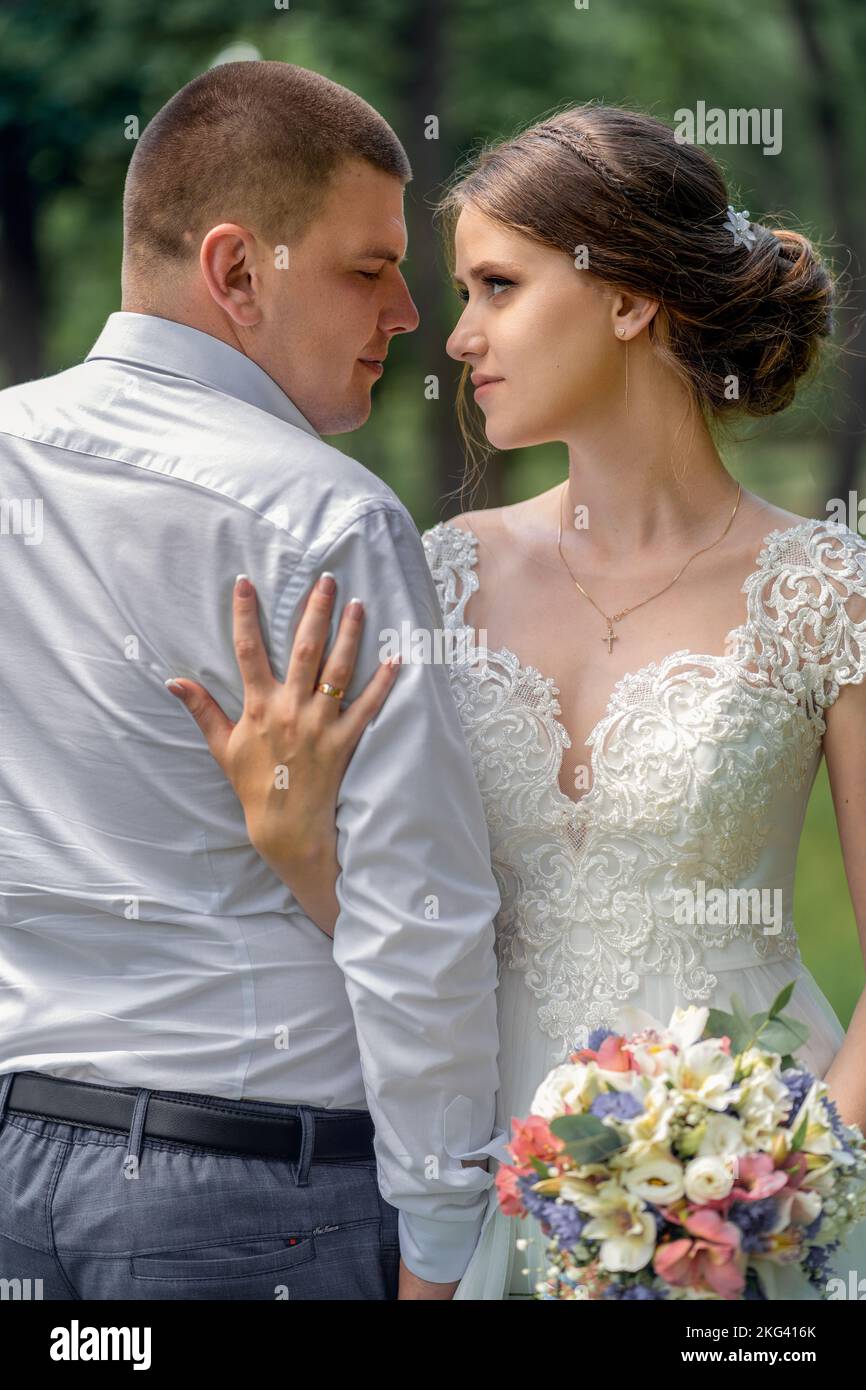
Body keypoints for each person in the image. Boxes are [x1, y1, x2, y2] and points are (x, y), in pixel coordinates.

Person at [174, 103, 866, 1299]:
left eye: (496, 286)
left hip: (763, 1194)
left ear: (626, 297)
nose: (454, 337)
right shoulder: (430, 578)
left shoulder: (826, 588)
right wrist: (297, 844)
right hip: (497, 1178)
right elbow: (417, 937)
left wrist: (763, 1188)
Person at [0, 60, 508, 1302]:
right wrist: (445, 1235)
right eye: (365, 267)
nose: (405, 312)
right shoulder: (324, 521)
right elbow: (415, 914)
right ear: (236, 272)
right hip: (241, 1201)